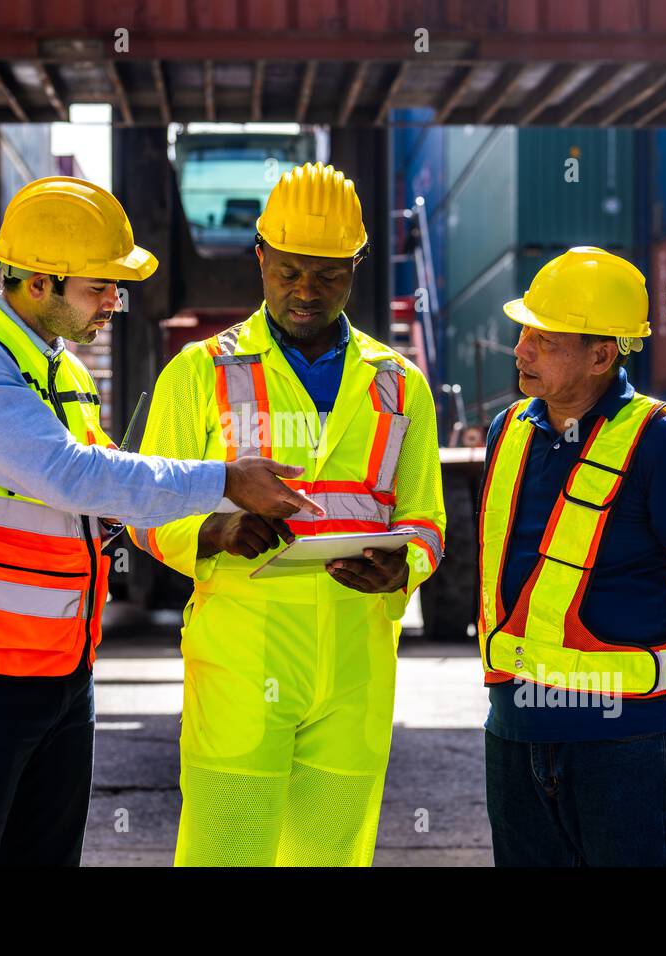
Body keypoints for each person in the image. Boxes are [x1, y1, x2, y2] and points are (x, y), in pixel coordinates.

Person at [0, 176, 323, 866]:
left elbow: (91, 509)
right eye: (99, 288)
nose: (115, 305)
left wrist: (205, 533)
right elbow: (68, 474)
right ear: (37, 283)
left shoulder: (63, 372)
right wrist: (223, 482)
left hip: (60, 672)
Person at [128, 162, 446, 866]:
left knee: (331, 856)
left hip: (356, 666)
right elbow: (144, 507)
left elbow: (426, 520)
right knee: (226, 853)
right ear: (261, 257)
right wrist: (212, 530)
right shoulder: (198, 372)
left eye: (329, 275)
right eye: (291, 271)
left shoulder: (401, 387)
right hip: (242, 666)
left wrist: (406, 565)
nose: (306, 292)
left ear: (357, 266)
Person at [477, 246, 666, 867]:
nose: (520, 351)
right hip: (513, 734)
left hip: (622, 743)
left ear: (601, 354)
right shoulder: (507, 431)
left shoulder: (662, 444)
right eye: (523, 333)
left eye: (543, 339)